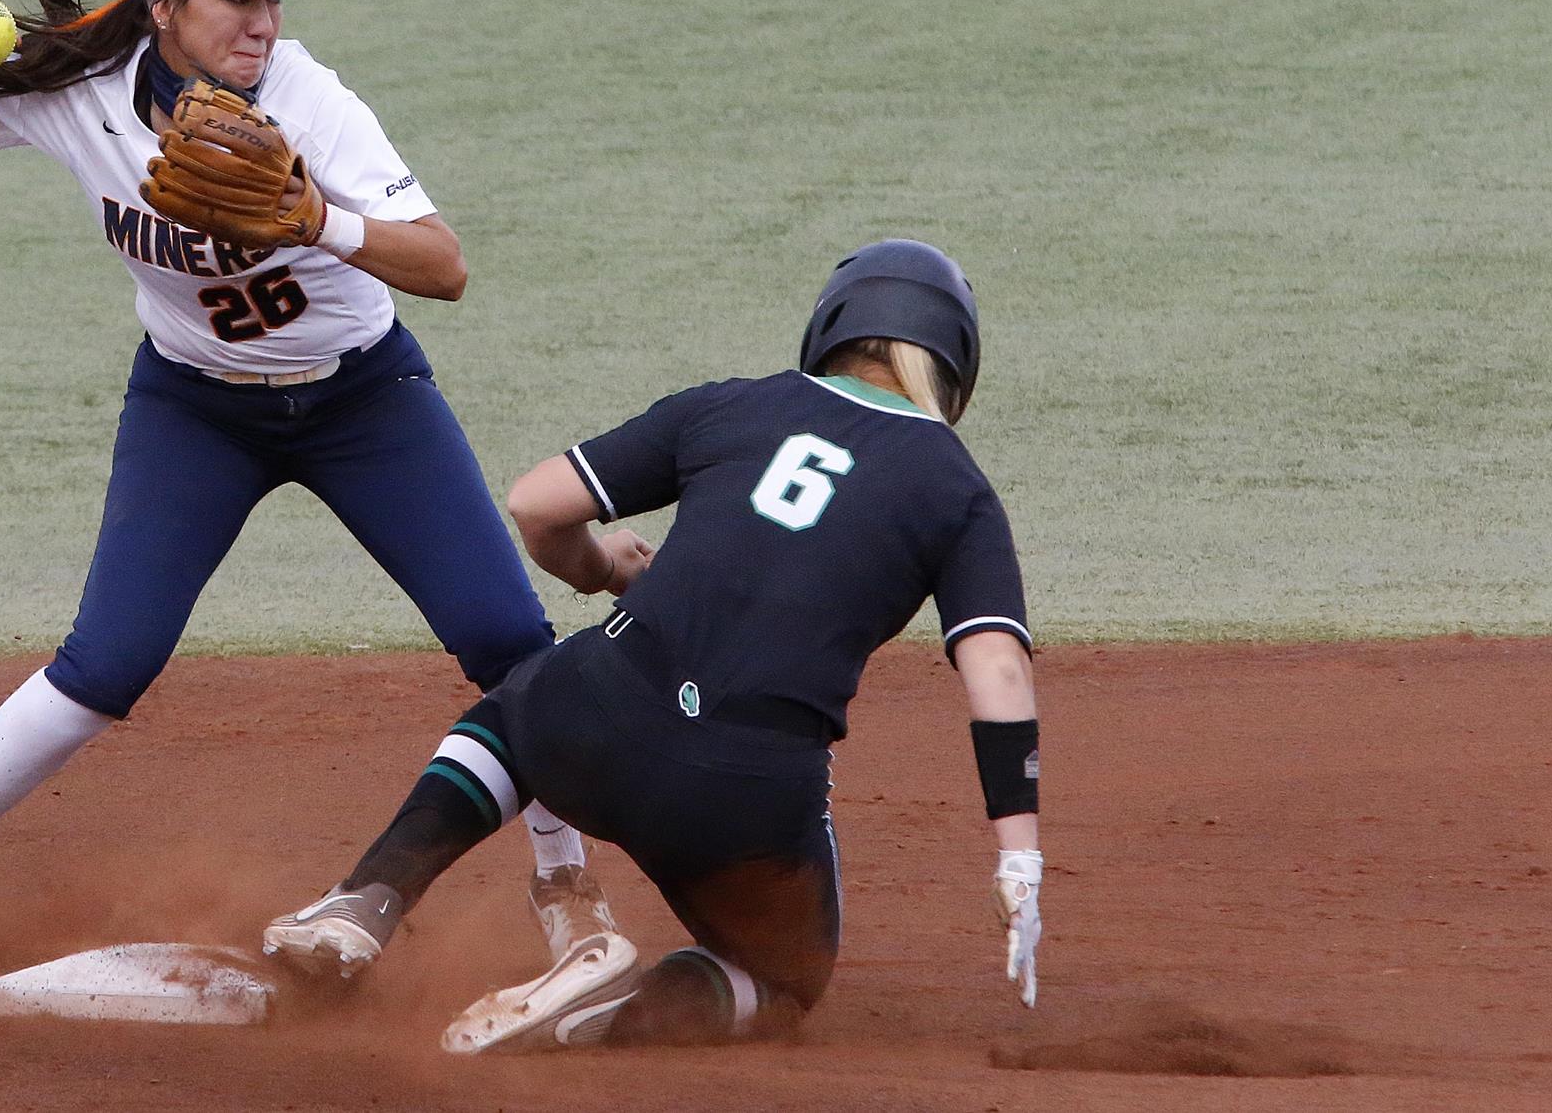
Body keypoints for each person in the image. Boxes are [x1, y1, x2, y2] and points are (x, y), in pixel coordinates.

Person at [0, 0, 626, 983]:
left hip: (364, 402)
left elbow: (443, 265)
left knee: (507, 637)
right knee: (107, 660)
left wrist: (315, 221)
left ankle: (561, 875)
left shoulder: (310, 103)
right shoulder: (81, 79)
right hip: (194, 407)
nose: (261, 20)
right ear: (166, 8)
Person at [261, 239, 1044, 1053]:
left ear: (829, 329)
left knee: (512, 716)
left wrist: (606, 569)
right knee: (784, 978)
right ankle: (614, 1010)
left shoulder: (733, 404)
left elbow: (536, 505)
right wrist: (1018, 858)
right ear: (956, 366)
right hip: (744, 797)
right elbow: (996, 667)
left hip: (598, 714)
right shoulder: (960, 491)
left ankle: (366, 899)